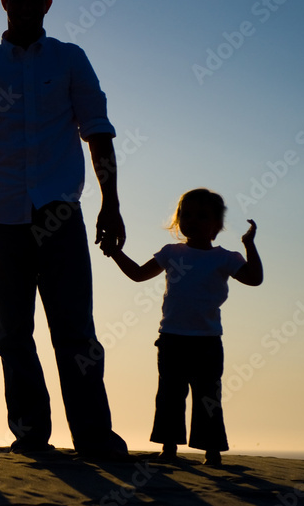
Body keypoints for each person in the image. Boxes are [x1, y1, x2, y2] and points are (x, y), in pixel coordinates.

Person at [0, 0, 128, 458]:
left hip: (59, 213)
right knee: (12, 332)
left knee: (75, 330)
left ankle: (93, 434)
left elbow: (98, 131)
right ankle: (30, 434)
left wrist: (111, 205)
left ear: (48, 4)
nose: (25, 5)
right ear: (4, 2)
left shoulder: (70, 60)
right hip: (0, 215)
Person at [101, 188, 263, 466]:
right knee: (169, 395)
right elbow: (139, 274)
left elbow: (254, 278)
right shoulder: (171, 253)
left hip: (208, 342)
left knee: (208, 397)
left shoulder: (225, 257)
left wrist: (249, 244)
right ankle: (169, 449)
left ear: (216, 226)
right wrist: (116, 253)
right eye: (185, 215)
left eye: (202, 216)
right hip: (172, 339)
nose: (192, 221)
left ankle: (212, 452)